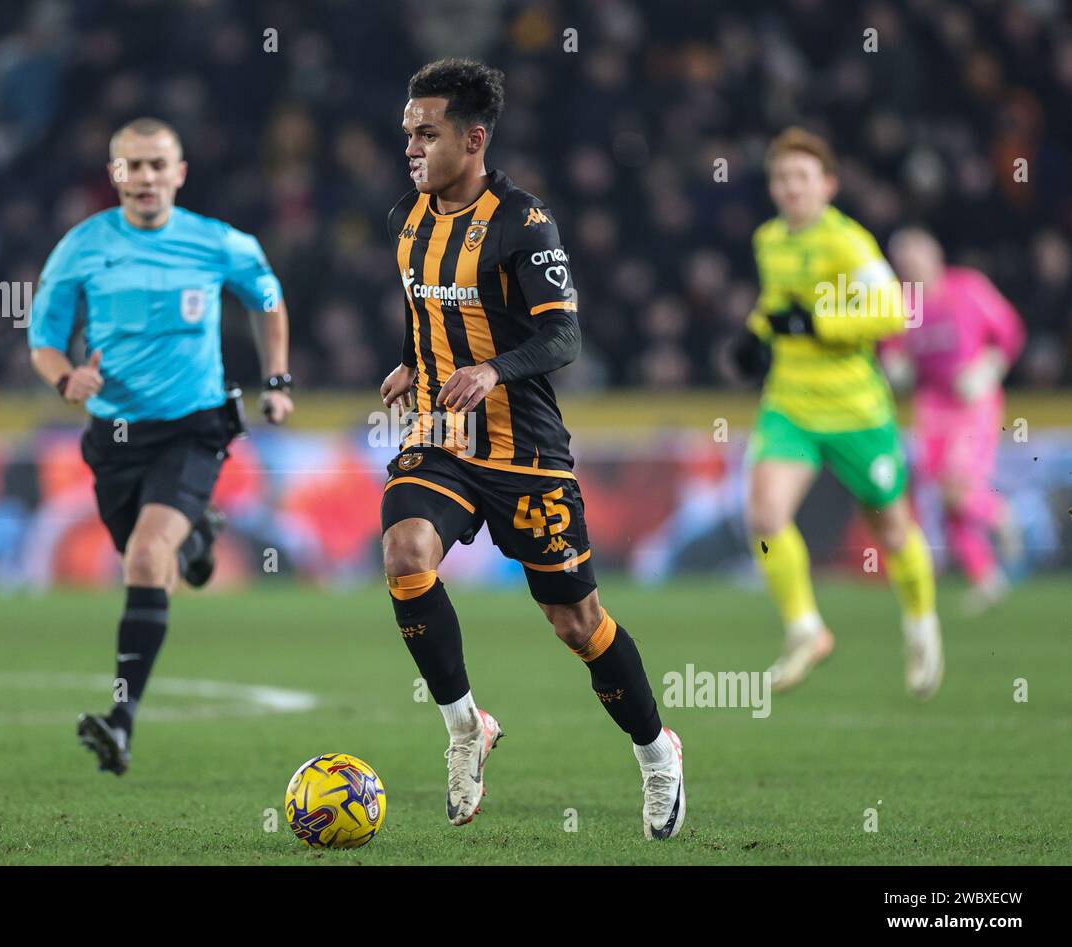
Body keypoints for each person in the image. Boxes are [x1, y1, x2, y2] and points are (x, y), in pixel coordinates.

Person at [378, 59, 685, 839]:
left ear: (474, 138)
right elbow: (436, 315)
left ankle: (656, 753)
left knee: (576, 623)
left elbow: (563, 335)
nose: (411, 147)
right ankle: (463, 726)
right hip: (443, 438)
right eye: (407, 132)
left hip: (526, 453)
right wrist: (415, 364)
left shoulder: (524, 222)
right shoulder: (406, 220)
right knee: (406, 552)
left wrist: (490, 371)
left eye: (427, 133)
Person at [27, 118, 294, 774]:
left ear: (179, 173)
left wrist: (277, 379)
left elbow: (267, 297)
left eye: (157, 165)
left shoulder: (216, 242)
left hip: (193, 427)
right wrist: (68, 376)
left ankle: (120, 721)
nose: (145, 178)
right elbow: (43, 338)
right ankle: (199, 540)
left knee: (145, 560)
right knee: (157, 562)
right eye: (132, 166)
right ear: (115, 175)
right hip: (115, 438)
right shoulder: (82, 248)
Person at [729, 127, 943, 699]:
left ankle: (921, 622)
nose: (791, 187)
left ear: (827, 184)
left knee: (892, 529)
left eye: (802, 177)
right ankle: (805, 629)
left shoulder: (850, 243)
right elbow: (778, 304)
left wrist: (820, 324)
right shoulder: (769, 241)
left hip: (856, 409)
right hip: (790, 405)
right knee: (765, 515)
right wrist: (755, 334)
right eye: (781, 178)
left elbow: (896, 312)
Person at [884, 228, 1025, 614]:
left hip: (972, 402)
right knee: (944, 498)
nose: (912, 267)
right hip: (932, 402)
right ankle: (986, 578)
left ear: (936, 255)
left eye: (917, 257)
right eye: (904, 262)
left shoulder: (968, 288)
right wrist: (895, 367)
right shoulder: (902, 303)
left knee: (957, 485)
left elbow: (1010, 332)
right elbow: (893, 352)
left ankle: (1000, 515)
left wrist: (989, 367)